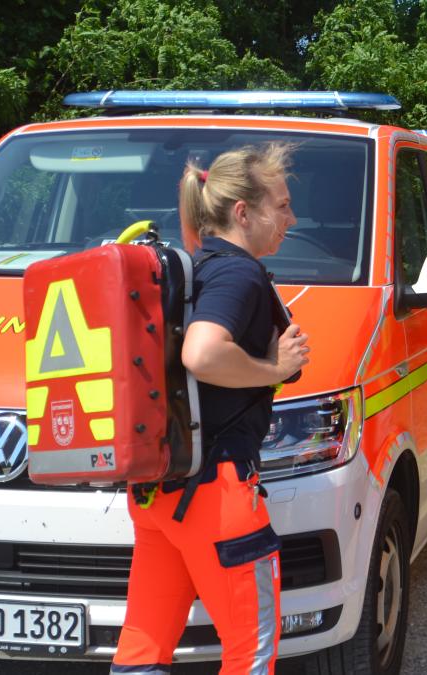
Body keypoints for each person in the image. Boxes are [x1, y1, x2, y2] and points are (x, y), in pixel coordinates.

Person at [111, 143, 310, 675]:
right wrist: (276, 368)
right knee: (250, 654)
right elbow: (201, 353)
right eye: (283, 205)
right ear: (243, 212)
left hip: (163, 494)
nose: (292, 218)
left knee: (141, 650)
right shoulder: (238, 274)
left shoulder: (195, 271)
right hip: (217, 497)